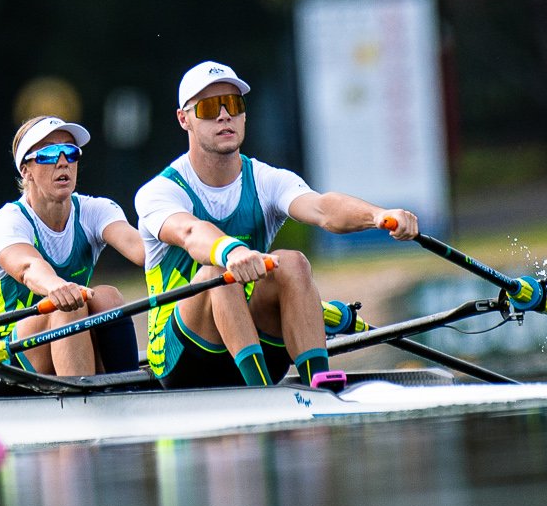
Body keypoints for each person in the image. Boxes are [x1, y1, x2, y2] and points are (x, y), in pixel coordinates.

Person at [134, 61, 419, 387]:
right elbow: (189, 232)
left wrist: (379, 216)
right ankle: (261, 394)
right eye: (210, 108)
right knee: (217, 275)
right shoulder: (160, 191)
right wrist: (229, 250)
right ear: (184, 119)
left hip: (253, 342)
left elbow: (323, 208)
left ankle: (321, 383)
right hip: (183, 358)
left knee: (293, 262)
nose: (224, 115)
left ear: (244, 115)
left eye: (234, 105)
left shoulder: (267, 180)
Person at [0, 114, 150, 375]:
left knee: (108, 297)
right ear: (25, 170)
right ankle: (81, 407)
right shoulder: (9, 221)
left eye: (70, 153)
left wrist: (199, 243)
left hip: (67, 337)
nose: (63, 162)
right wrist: (56, 286)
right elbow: (27, 267)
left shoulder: (96, 210)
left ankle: (127, 390)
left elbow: (140, 249)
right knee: (69, 309)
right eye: (49, 154)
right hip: (5, 360)